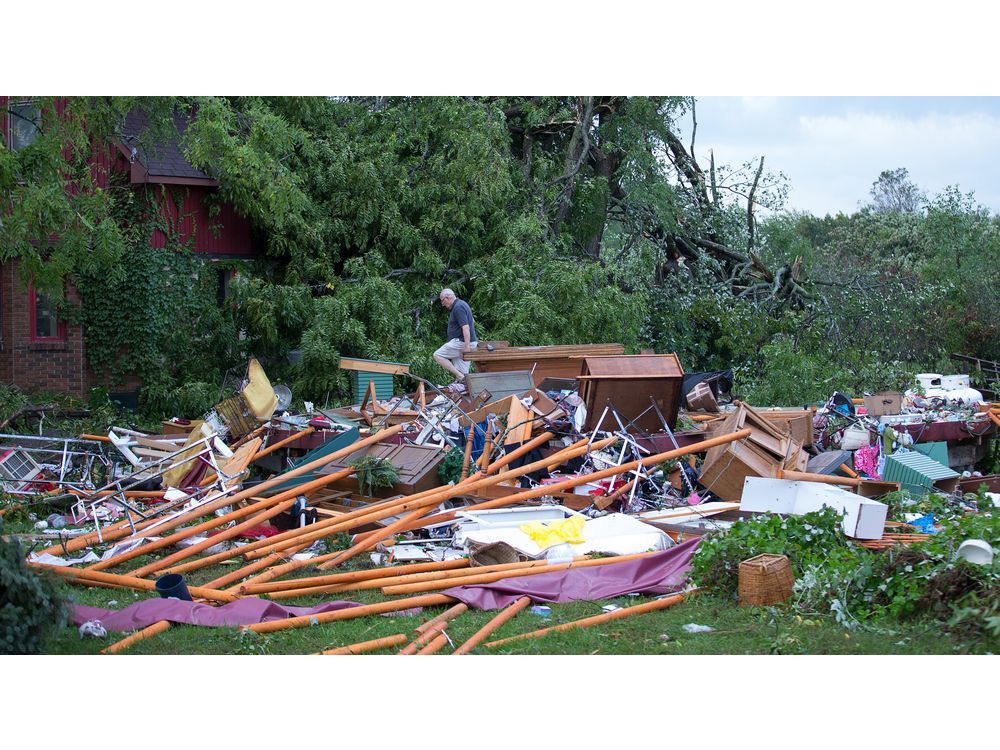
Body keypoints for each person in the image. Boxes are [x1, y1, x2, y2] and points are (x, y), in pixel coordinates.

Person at [433, 288, 477, 383]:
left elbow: (466, 327)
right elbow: (472, 321)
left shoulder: (458, 307)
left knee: (437, 355)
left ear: (447, 298)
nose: (442, 304)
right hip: (464, 344)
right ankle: (462, 381)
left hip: (461, 343)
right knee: (464, 376)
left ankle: (460, 376)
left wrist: (467, 346)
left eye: (442, 301)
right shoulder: (461, 304)